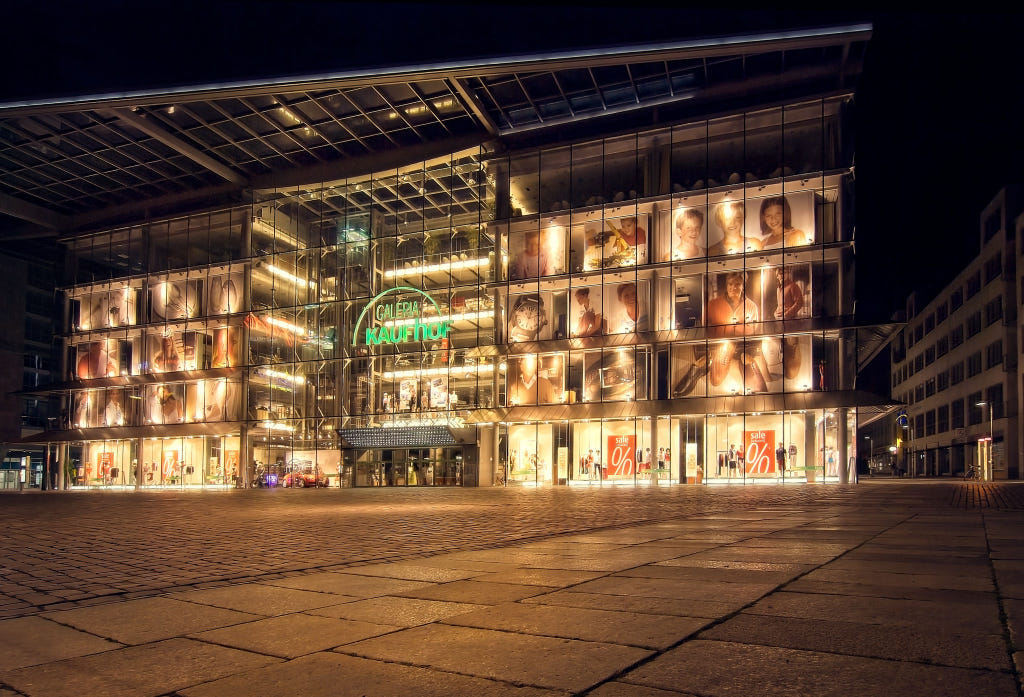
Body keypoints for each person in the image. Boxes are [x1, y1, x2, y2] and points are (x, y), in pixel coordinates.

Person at [706, 272, 769, 390]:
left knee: (756, 381)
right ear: (726, 285)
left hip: (744, 345)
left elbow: (755, 330)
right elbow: (705, 327)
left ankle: (747, 362)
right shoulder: (713, 305)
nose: (733, 287)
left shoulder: (752, 306)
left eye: (737, 284)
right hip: (723, 343)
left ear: (743, 286)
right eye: (730, 284)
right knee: (716, 379)